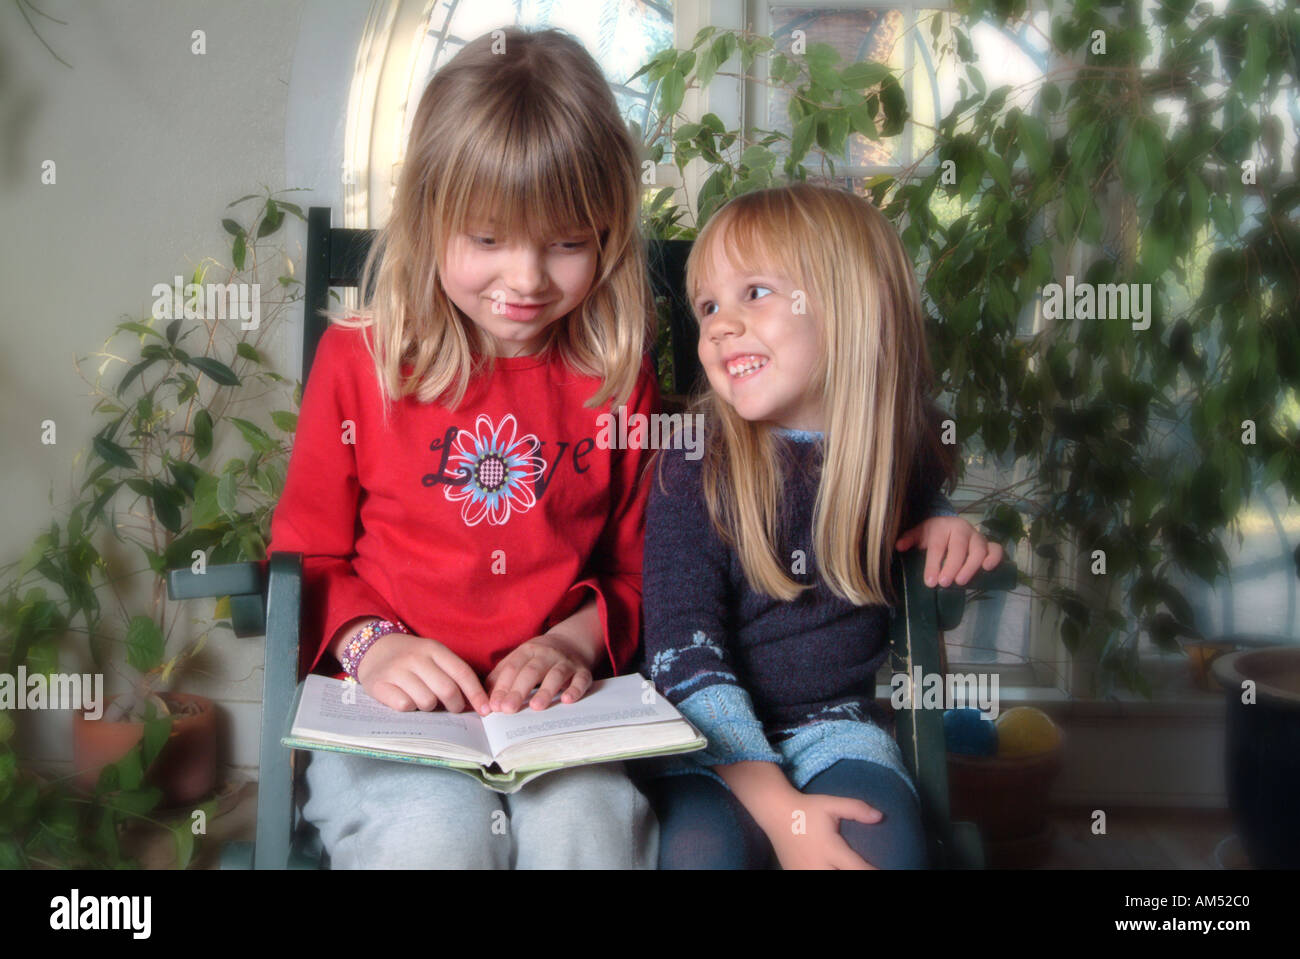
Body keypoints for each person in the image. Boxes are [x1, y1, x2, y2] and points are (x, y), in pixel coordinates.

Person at [268, 27, 661, 869]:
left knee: (586, 830)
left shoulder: (619, 380)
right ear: (429, 217)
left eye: (566, 242)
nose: (524, 279)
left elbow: (638, 571)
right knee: (430, 837)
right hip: (391, 723)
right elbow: (307, 557)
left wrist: (574, 642)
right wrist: (374, 646)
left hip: (559, 720)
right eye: (487, 239)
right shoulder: (360, 363)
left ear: (610, 230)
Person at [636, 182, 1005, 869]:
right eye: (708, 305)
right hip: (701, 739)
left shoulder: (895, 446)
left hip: (834, 728)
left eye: (754, 293)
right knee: (698, 850)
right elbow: (681, 657)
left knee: (883, 844)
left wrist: (946, 520)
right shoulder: (691, 462)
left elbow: (923, 491)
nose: (717, 325)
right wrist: (783, 816)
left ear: (847, 306)